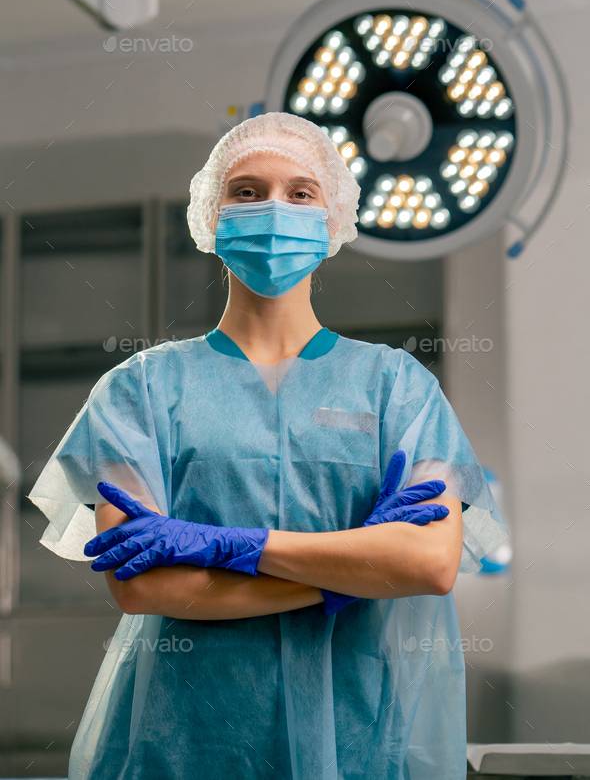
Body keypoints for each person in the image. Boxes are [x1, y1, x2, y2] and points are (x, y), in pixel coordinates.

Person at [28, 111, 508, 780]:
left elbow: (427, 562)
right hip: (179, 744)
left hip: (354, 741)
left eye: (301, 192)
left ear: (334, 216)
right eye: (247, 192)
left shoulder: (398, 388)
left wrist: (234, 547)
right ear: (211, 219)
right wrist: (350, 576)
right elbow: (146, 585)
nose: (273, 209)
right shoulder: (138, 389)